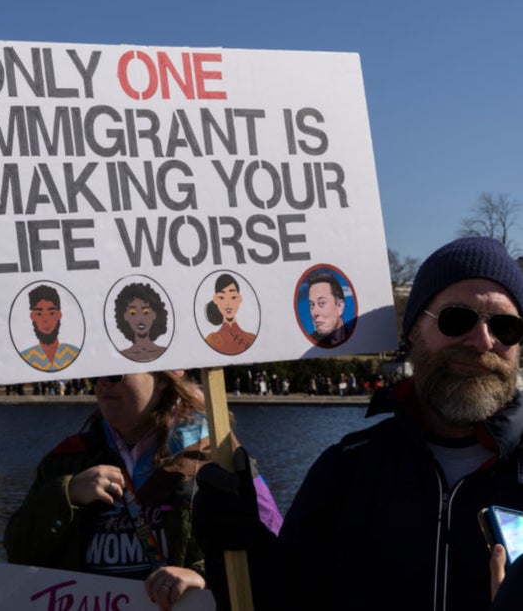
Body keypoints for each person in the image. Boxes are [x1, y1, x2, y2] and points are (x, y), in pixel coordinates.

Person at [192, 236, 523, 611]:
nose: (482, 340)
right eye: (457, 319)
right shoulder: (346, 469)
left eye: (506, 327)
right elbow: (285, 600)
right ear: (413, 330)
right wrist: (240, 553)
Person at [5, 370, 281, 610]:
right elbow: (18, 553)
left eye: (115, 374)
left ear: (161, 378)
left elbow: (272, 552)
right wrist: (67, 494)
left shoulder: (220, 456)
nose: (102, 384)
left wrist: (203, 577)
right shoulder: (66, 459)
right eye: (95, 375)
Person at [19, 284, 80, 371]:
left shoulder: (74, 353)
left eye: (51, 313)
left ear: (59, 315)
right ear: (32, 316)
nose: (46, 320)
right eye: (39, 314)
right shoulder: (24, 357)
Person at [114, 282, 169, 362]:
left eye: (146, 312)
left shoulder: (167, 353)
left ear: (154, 314)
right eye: (133, 312)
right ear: (125, 316)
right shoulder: (120, 358)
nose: (140, 318)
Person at [204, 273, 255, 355]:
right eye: (222, 298)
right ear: (216, 300)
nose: (228, 303)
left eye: (233, 297)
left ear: (239, 299)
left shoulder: (251, 339)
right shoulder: (211, 341)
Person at [305, 271, 349, 346]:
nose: (315, 313)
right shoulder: (307, 344)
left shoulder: (358, 338)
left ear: (339, 306)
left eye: (321, 303)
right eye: (312, 305)